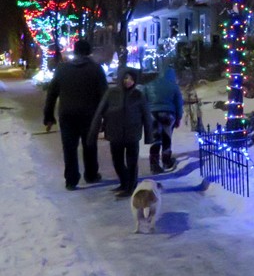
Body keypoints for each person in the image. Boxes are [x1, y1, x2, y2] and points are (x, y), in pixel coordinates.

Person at [43, 39, 108, 191]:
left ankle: (71, 180)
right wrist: (105, 116)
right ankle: (91, 174)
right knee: (89, 145)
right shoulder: (96, 69)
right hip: (89, 115)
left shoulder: (62, 68)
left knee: (69, 148)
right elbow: (105, 95)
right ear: (89, 51)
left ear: (75, 50)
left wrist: (49, 117)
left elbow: (52, 93)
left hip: (67, 115)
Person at [89, 67, 153, 198]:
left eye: (131, 78)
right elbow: (99, 112)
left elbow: (146, 115)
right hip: (115, 134)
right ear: (120, 78)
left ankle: (131, 188)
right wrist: (92, 133)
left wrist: (149, 135)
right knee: (117, 161)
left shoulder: (138, 95)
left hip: (132, 134)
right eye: (126, 77)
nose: (128, 81)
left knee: (132, 163)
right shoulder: (111, 93)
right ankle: (124, 182)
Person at [145, 67, 183, 173]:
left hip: (152, 114)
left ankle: (154, 164)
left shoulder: (150, 85)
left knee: (156, 139)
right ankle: (167, 161)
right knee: (167, 138)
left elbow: (144, 99)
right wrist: (178, 117)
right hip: (168, 114)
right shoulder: (174, 86)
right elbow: (179, 103)